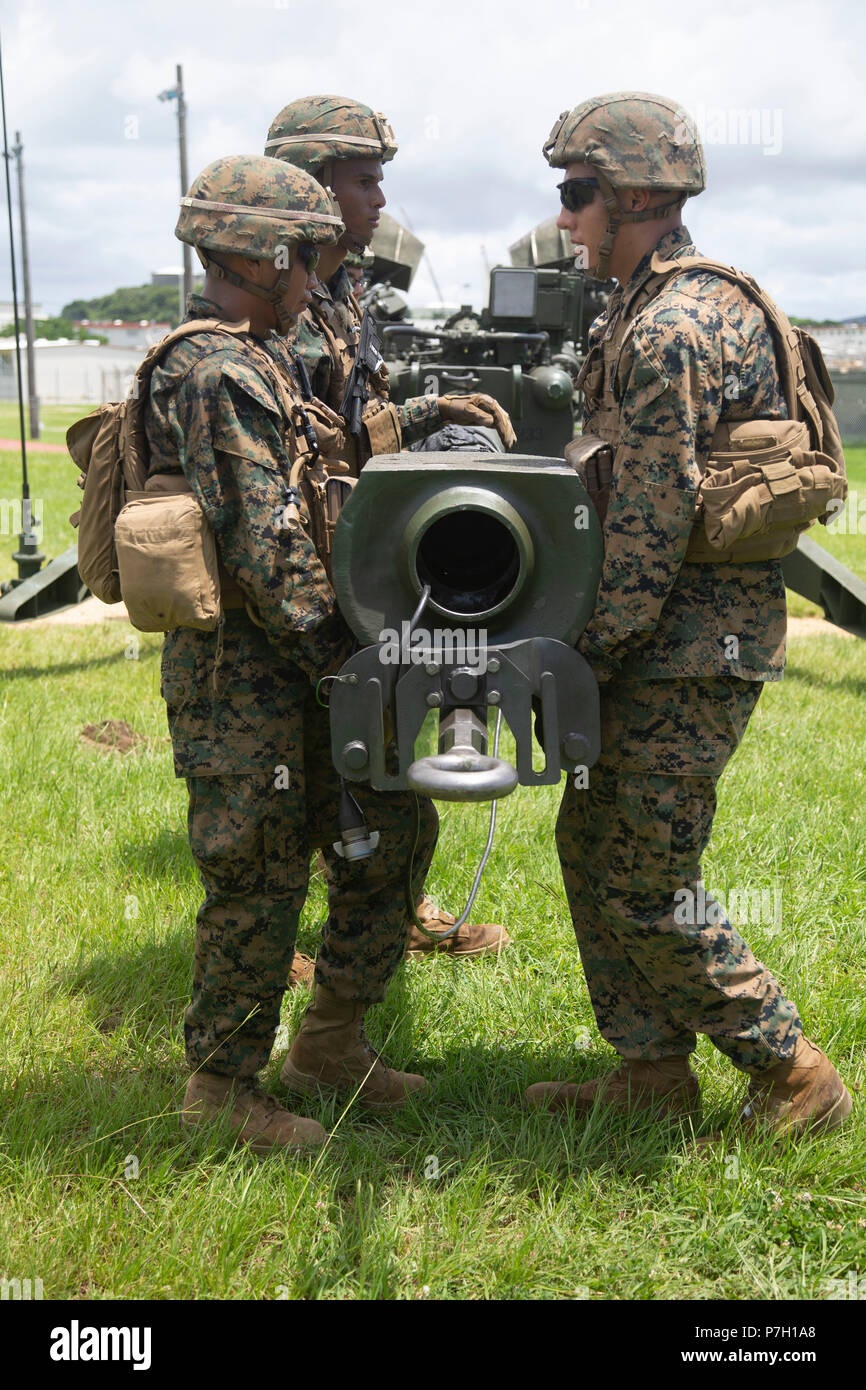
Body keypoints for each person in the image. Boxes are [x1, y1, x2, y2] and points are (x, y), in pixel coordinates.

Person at [524, 92, 852, 1139]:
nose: (565, 219)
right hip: (665, 639)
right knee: (591, 837)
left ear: (632, 198)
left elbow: (652, 523)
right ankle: (649, 1070)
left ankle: (791, 1069)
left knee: (644, 873)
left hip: (681, 646)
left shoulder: (670, 326)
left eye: (576, 196)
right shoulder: (644, 306)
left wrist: (584, 656)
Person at [148, 154, 438, 1154]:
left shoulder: (263, 356)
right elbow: (271, 554)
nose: (319, 280)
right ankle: (222, 1088)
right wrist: (349, 662)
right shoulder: (216, 372)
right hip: (250, 682)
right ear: (262, 253)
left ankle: (330, 1040)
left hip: (307, 665)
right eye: (306, 259)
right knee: (258, 878)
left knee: (393, 829)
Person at [265, 94, 513, 965]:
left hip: (346, 549)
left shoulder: (337, 291)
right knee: (290, 767)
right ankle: (275, 941)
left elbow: (349, 415)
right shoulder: (274, 305)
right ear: (317, 185)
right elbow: (305, 444)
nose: (379, 200)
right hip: (286, 566)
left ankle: (391, 914)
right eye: (366, 181)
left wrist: (424, 410)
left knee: (361, 753)